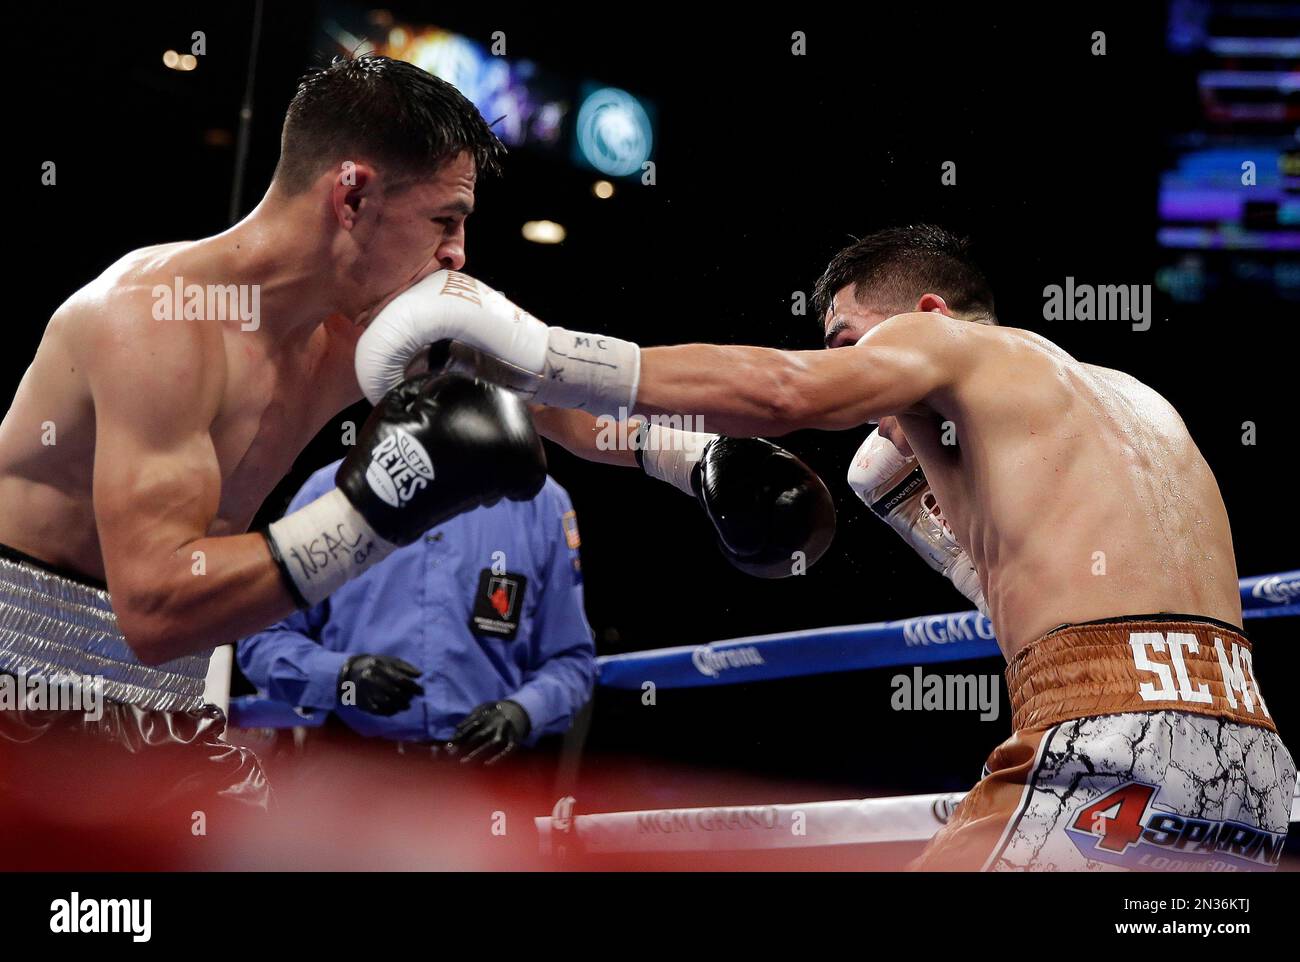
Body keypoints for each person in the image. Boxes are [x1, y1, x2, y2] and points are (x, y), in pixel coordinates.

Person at [0, 54, 830, 814]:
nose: (458, 254)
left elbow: (560, 397)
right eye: (445, 219)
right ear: (352, 196)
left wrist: (698, 457)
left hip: (179, 698)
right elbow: (152, 605)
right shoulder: (155, 323)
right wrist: (372, 511)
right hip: (25, 687)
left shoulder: (370, 326)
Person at [359, 224, 1295, 871]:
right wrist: (596, 424)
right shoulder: (1132, 402)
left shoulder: (964, 353)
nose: (848, 369)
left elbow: (777, 391)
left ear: (926, 315)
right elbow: (1030, 591)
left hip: (1110, 749)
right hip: (1258, 763)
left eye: (850, 342)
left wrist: (532, 352)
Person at [238, 467, 594, 766]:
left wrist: (522, 713)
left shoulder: (540, 501)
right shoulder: (331, 491)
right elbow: (261, 640)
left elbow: (570, 660)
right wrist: (341, 677)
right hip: (353, 775)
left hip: (491, 783)